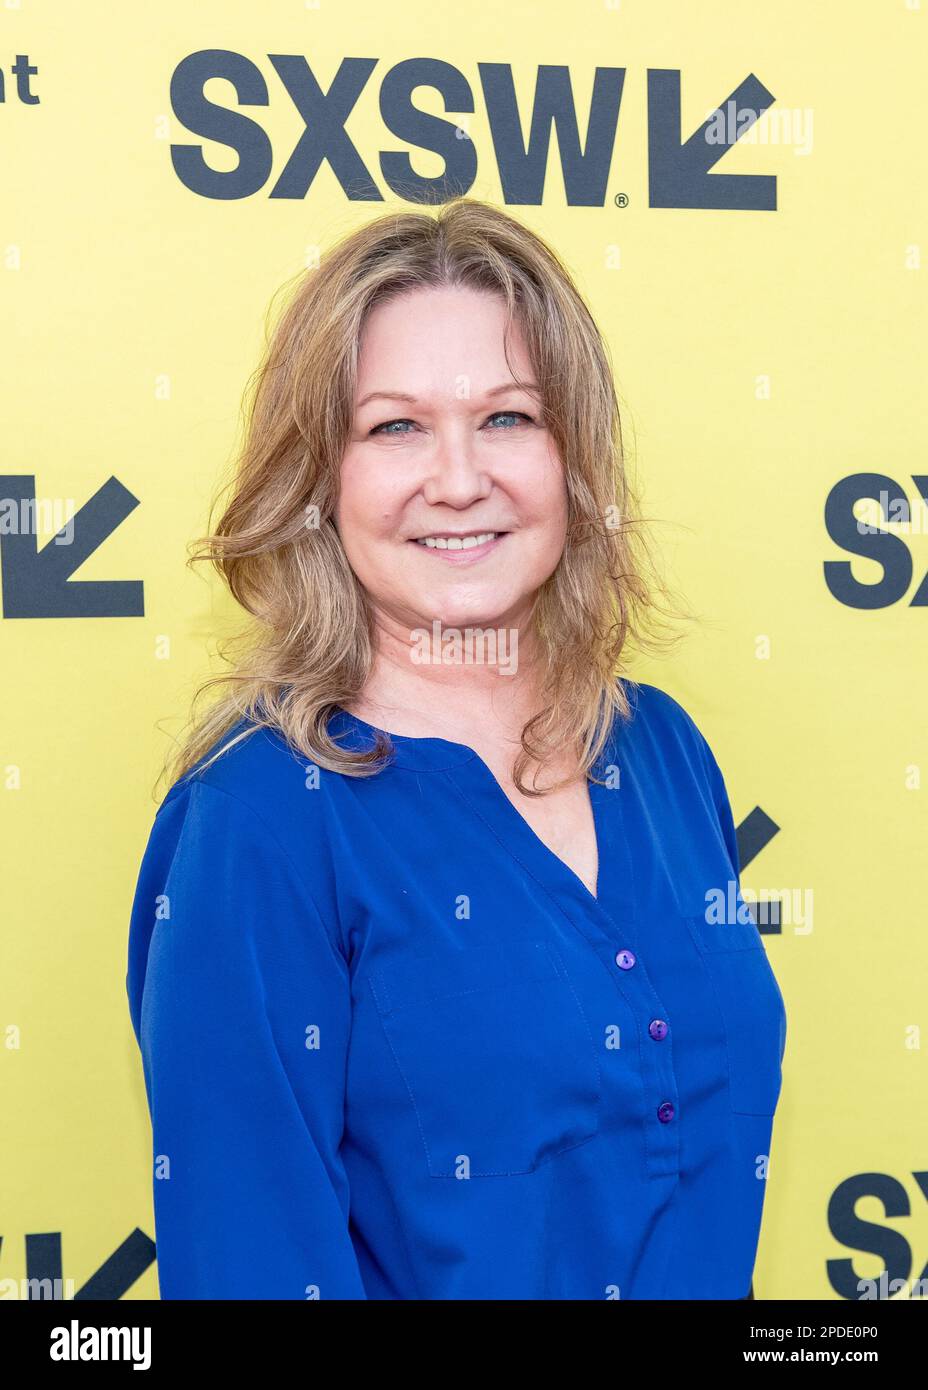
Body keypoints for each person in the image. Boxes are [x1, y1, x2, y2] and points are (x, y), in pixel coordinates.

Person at [126, 197, 786, 1300]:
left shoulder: (662, 750)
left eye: (508, 418)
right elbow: (250, 1258)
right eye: (394, 427)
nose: (459, 477)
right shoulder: (261, 816)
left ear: (570, 455)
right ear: (318, 484)